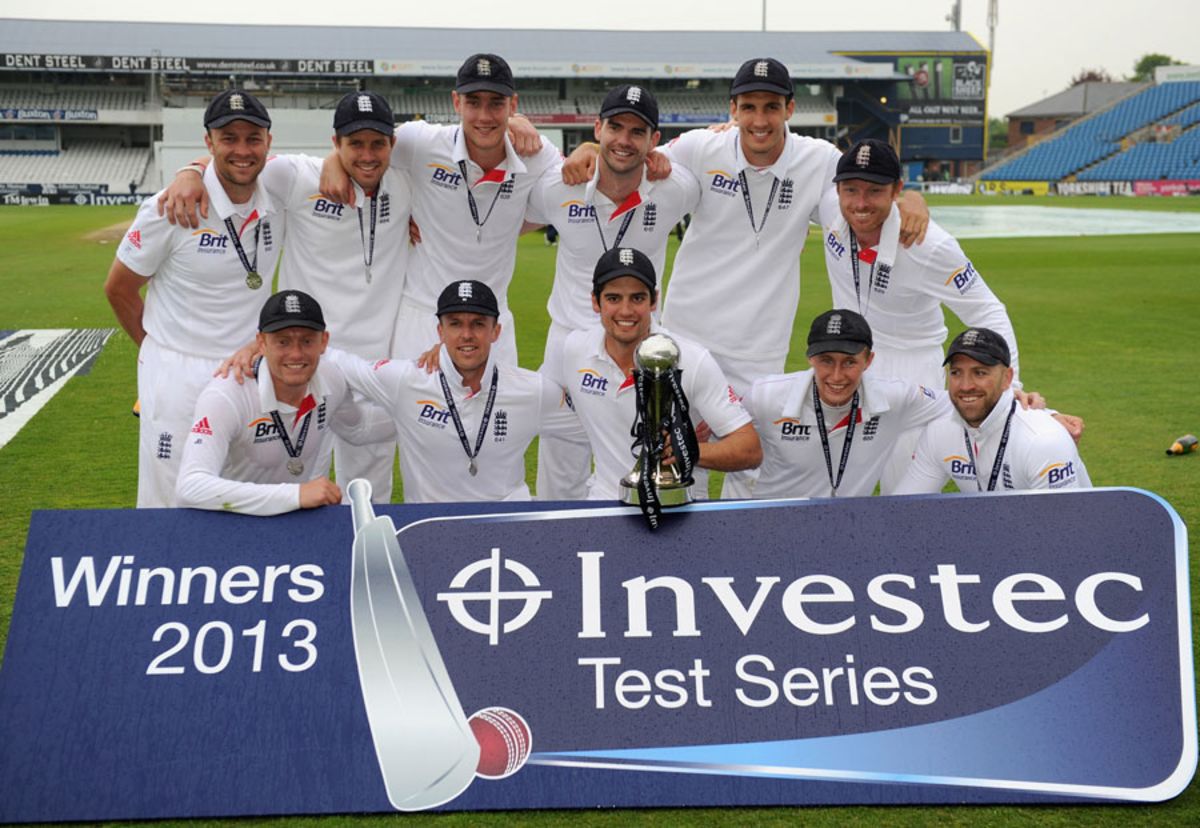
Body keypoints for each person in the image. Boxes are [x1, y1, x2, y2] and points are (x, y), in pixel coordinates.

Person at [568, 58, 929, 498]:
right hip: (686, 343)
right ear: (733, 109)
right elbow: (628, 160)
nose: (760, 120)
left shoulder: (818, 161)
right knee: (675, 474)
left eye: (771, 107)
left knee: (754, 488)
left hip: (760, 354)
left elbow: (863, 195)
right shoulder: (700, 148)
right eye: (750, 107)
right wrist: (587, 150)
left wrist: (911, 198)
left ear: (790, 109)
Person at [159, 90, 414, 504]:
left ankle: (355, 566)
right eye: (354, 145)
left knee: (368, 494)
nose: (367, 155)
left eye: (377, 144)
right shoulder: (297, 176)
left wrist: (517, 120)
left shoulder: (406, 181)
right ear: (335, 142)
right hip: (304, 361)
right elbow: (239, 162)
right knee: (300, 483)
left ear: (392, 145)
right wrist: (189, 170)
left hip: (373, 367)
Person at [819, 137, 1034, 491]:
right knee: (833, 487)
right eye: (851, 189)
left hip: (911, 372)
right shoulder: (830, 209)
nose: (859, 203)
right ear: (837, 189)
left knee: (902, 497)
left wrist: (1013, 386)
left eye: (875, 191)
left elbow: (988, 310)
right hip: (847, 365)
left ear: (896, 190)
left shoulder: (929, 246)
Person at [104, 89, 283, 508]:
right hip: (177, 372)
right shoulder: (170, 208)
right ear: (209, 142)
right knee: (170, 498)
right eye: (229, 138)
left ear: (268, 143)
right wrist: (156, 349)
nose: (242, 150)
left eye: (253, 138)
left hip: (246, 369)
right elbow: (119, 288)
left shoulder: (277, 196)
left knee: (238, 492)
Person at [320, 53, 559, 364]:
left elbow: (575, 182)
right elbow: (367, 144)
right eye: (473, 102)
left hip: (493, 323)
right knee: (416, 413)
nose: (484, 115)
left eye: (496, 103)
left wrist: (590, 148)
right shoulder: (420, 142)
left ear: (513, 105)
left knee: (496, 413)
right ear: (456, 102)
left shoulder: (538, 155)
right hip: (422, 318)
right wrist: (332, 160)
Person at [525, 84, 701, 499]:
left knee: (637, 460)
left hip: (637, 344)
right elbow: (506, 221)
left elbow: (725, 148)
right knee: (560, 467)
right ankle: (559, 552)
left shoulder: (677, 187)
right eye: (615, 128)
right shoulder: (558, 185)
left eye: (638, 132)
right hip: (567, 340)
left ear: (655, 141)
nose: (624, 140)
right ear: (597, 128)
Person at [325, 280, 585, 503]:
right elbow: (343, 364)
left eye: (478, 324)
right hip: (431, 529)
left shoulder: (532, 390)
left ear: (496, 331)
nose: (466, 335)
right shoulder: (406, 380)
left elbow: (597, 427)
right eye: (455, 324)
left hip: (506, 529)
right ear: (440, 331)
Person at [549, 247, 761, 502]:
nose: (626, 311)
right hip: (605, 503)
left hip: (679, 506)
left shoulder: (692, 359)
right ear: (595, 301)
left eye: (637, 298)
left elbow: (750, 448)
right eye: (614, 298)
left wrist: (691, 451)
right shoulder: (574, 350)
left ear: (653, 301)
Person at [176, 291, 392, 515]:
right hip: (232, 524)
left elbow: (359, 429)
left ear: (324, 342)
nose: (296, 354)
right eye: (283, 342)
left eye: (307, 341)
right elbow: (190, 486)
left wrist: (420, 411)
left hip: (295, 522)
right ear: (261, 343)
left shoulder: (331, 379)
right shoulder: (226, 396)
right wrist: (295, 495)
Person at [746, 309, 950, 499]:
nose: (836, 376)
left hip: (849, 528)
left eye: (849, 362)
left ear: (868, 361)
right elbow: (724, 436)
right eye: (826, 361)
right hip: (772, 526)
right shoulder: (765, 396)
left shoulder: (895, 398)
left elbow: (962, 405)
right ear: (811, 357)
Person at [894, 328, 1091, 494]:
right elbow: (903, 510)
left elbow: (1063, 531)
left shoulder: (1043, 441)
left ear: (1007, 378)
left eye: (979, 373)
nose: (965, 385)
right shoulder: (939, 432)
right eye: (956, 373)